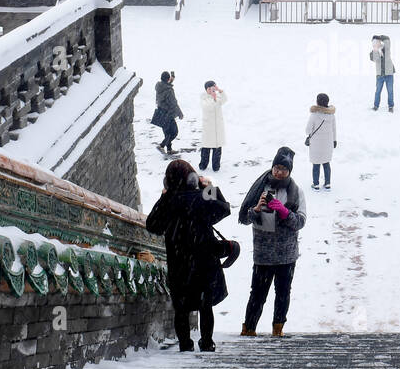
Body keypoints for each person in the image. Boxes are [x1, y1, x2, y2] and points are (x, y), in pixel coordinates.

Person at [144, 159, 232, 353]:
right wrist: (208, 187)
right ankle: (207, 342)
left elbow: (152, 225)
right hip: (205, 260)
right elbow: (224, 209)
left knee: (181, 308)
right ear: (192, 178)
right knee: (205, 306)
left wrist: (164, 197)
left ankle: (185, 344)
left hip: (179, 262)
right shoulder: (201, 197)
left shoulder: (169, 201)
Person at [237, 146, 306, 337]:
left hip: (286, 254)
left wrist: (285, 213)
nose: (279, 172)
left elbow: (300, 221)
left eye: (284, 169)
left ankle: (278, 329)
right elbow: (245, 218)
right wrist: (257, 209)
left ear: (290, 171)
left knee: (283, 294)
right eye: (276, 167)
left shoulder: (296, 191)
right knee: (257, 294)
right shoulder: (261, 187)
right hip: (263, 253)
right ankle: (249, 329)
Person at [305, 92, 337, 191]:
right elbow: (334, 129)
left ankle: (316, 184)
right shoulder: (332, 115)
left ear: (317, 102)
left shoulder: (314, 115)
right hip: (328, 144)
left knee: (316, 164)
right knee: (326, 163)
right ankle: (327, 183)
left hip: (316, 144)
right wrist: (334, 140)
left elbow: (308, 130)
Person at [199, 80, 228, 172]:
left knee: (217, 148)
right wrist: (214, 99)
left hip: (218, 127)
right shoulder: (204, 98)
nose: (212, 90)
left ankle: (216, 166)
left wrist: (220, 91)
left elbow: (225, 100)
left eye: (213, 88)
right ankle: (203, 165)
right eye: (210, 88)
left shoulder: (217, 95)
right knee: (206, 148)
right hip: (209, 128)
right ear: (206, 89)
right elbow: (208, 107)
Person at [153, 71, 183, 154]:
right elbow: (173, 103)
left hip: (160, 113)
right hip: (168, 114)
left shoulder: (159, 86)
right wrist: (180, 113)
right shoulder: (169, 91)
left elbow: (166, 85)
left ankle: (169, 150)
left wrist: (171, 79)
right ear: (168, 79)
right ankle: (162, 146)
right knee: (174, 132)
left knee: (167, 133)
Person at [370, 34, 395, 112]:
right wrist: (375, 50)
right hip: (380, 75)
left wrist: (379, 37)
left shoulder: (386, 48)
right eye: (374, 43)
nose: (376, 44)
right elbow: (375, 59)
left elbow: (387, 39)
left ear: (380, 42)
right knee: (378, 91)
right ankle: (376, 106)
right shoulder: (373, 52)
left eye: (377, 42)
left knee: (390, 91)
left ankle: (391, 106)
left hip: (389, 73)